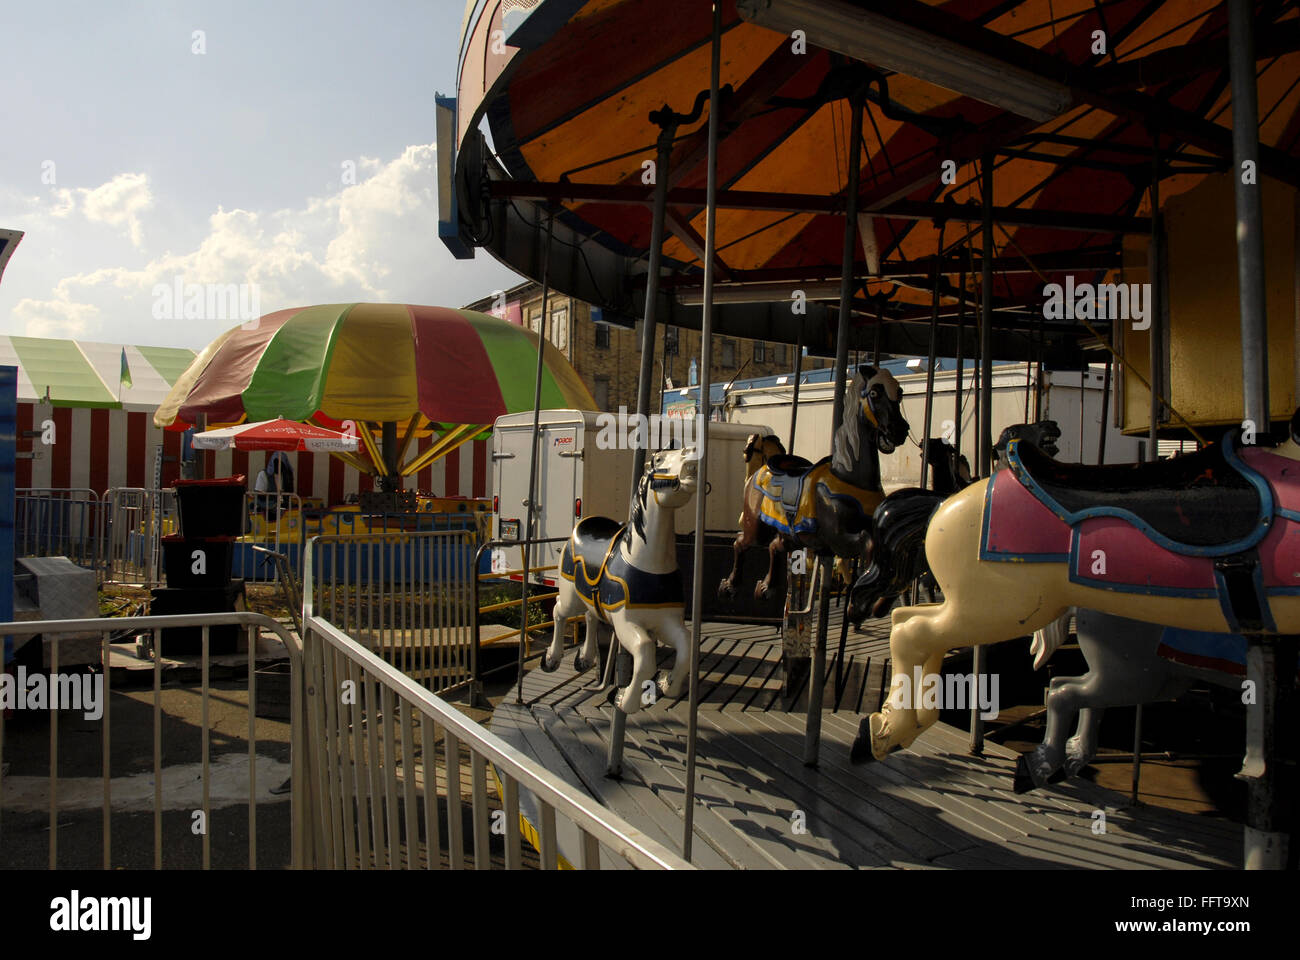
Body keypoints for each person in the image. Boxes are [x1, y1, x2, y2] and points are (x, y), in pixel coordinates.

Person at [255, 452, 295, 519]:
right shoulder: (263, 474)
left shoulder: (286, 476)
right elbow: (258, 493)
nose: (278, 465)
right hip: (266, 507)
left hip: (283, 508)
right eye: (276, 462)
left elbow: (290, 493)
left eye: (281, 463)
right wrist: (273, 497)